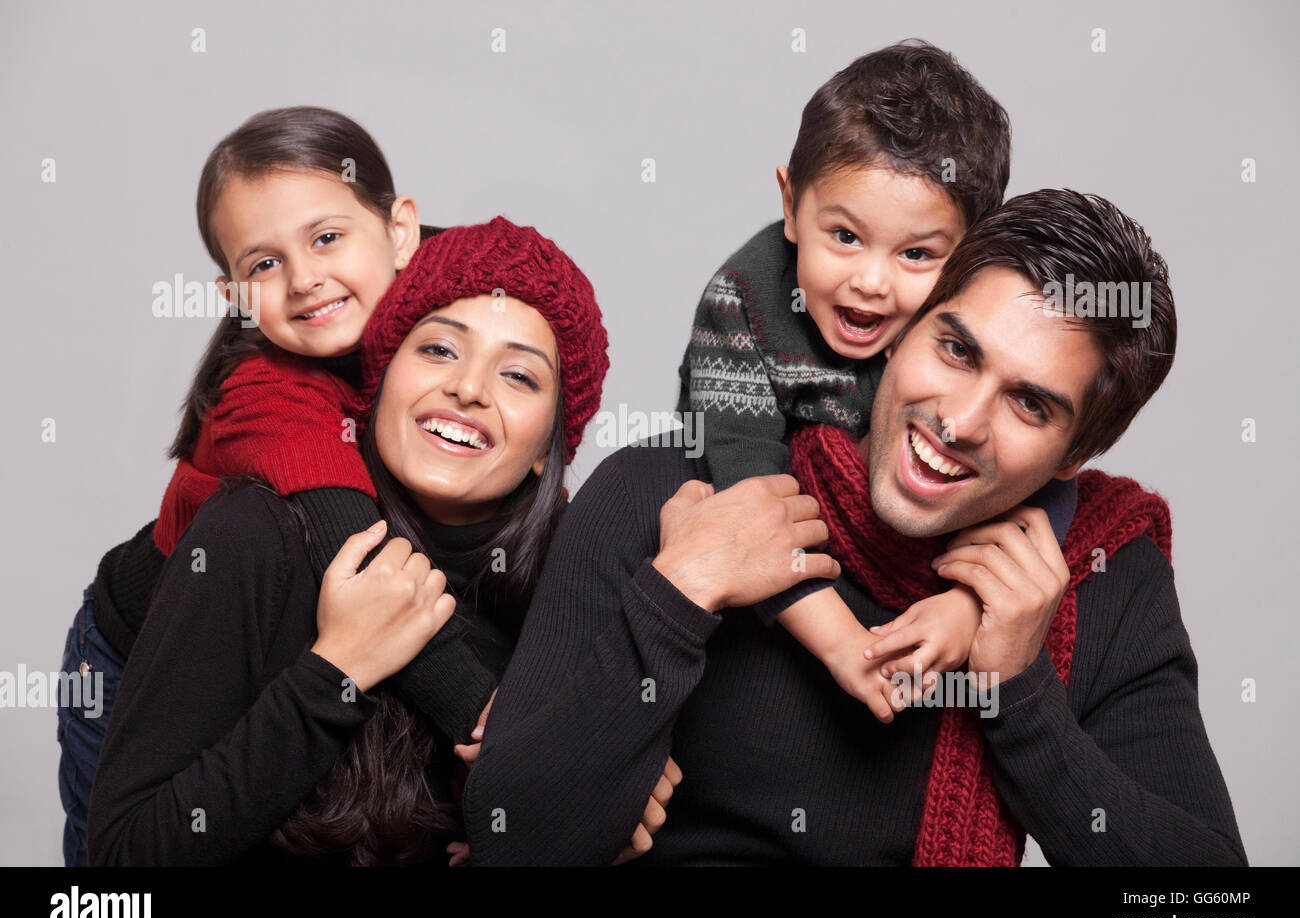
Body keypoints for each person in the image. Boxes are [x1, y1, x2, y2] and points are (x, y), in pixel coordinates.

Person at [464, 189, 1247, 866]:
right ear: (905, 327)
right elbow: (513, 844)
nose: (959, 420)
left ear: (1076, 453)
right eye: (956, 349)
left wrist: (1020, 690)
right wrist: (683, 589)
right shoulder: (668, 490)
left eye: (1029, 404)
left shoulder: (1097, 577)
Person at [87, 216, 633, 865]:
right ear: (381, 374)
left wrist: (593, 811)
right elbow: (125, 860)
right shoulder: (258, 536)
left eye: (519, 376)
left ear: (550, 447)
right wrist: (338, 669)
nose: (468, 388)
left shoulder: (579, 585)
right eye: (438, 349)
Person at [58, 105, 436, 866]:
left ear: (401, 231)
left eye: (327, 237)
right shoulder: (266, 394)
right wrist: (501, 729)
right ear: (233, 293)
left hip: (283, 645)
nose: (304, 280)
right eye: (262, 264)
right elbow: (368, 573)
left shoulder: (444, 317)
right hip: (136, 661)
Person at [675, 40, 1075, 716]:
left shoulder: (964, 330)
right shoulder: (742, 302)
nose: (871, 282)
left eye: (916, 253)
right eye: (846, 237)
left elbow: (1041, 493)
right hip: (766, 594)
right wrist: (845, 648)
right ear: (793, 203)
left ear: (969, 258)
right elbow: (746, 502)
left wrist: (965, 606)